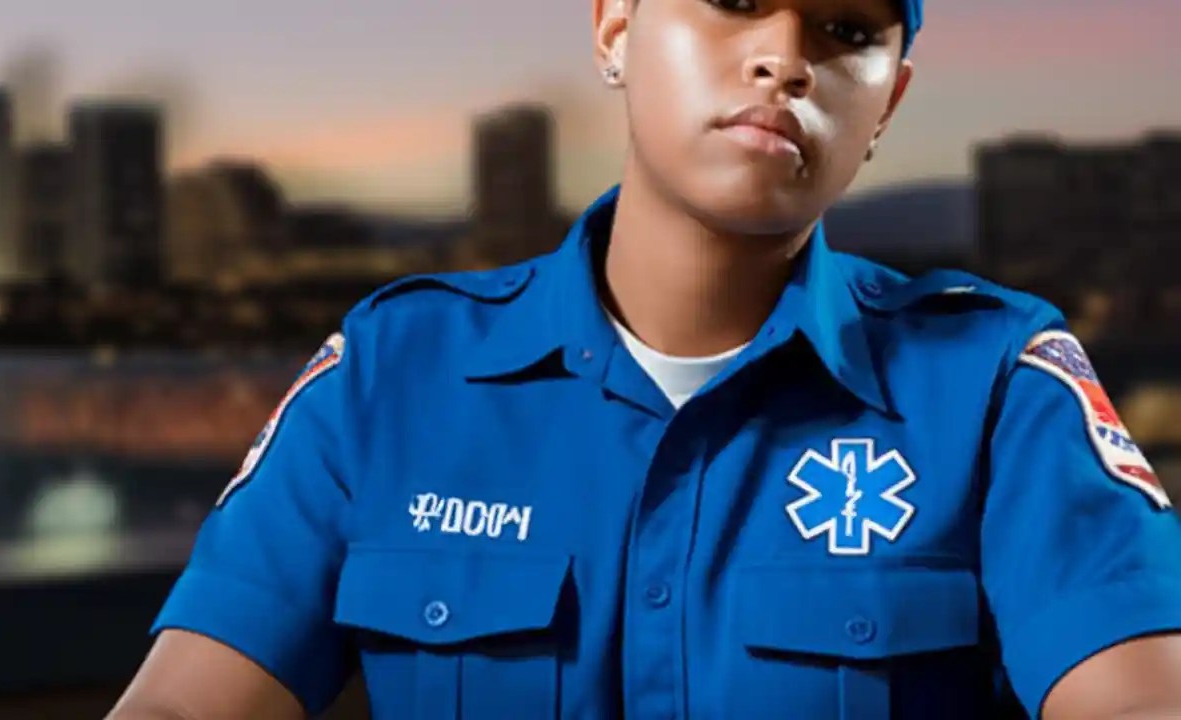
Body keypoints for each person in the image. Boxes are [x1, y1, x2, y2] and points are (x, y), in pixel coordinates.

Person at [108, 0, 1181, 718]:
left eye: (846, 27)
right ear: (613, 25)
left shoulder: (993, 385)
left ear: (887, 101)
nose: (783, 57)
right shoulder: (396, 372)